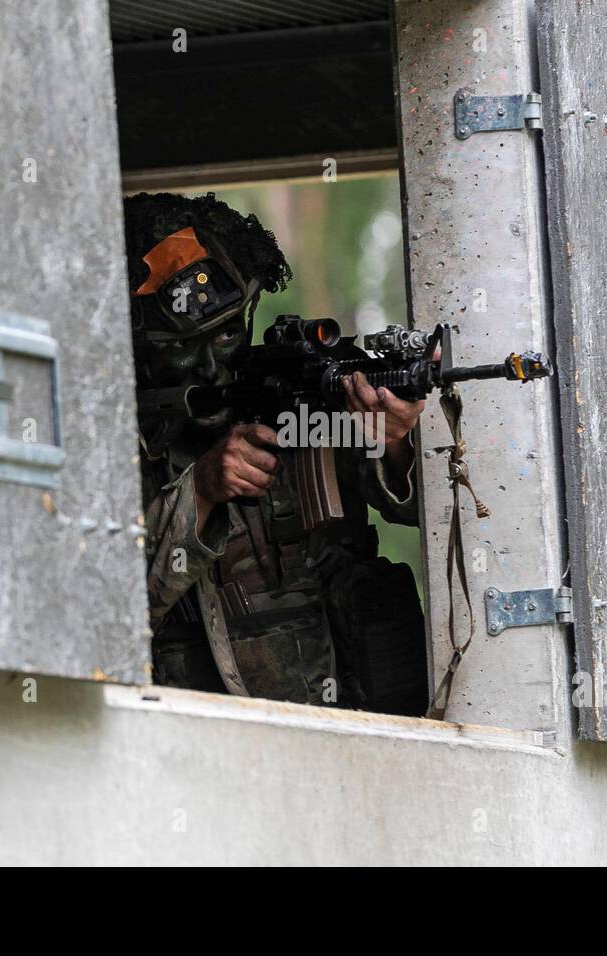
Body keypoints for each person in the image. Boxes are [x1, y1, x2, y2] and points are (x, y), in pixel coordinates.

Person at [126, 191, 429, 714]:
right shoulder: (111, 444)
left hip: (358, 720)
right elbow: (101, 613)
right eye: (179, 348)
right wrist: (200, 492)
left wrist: (395, 439)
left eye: (224, 337)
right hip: (196, 737)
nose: (210, 367)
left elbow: (430, 513)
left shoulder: (303, 400)